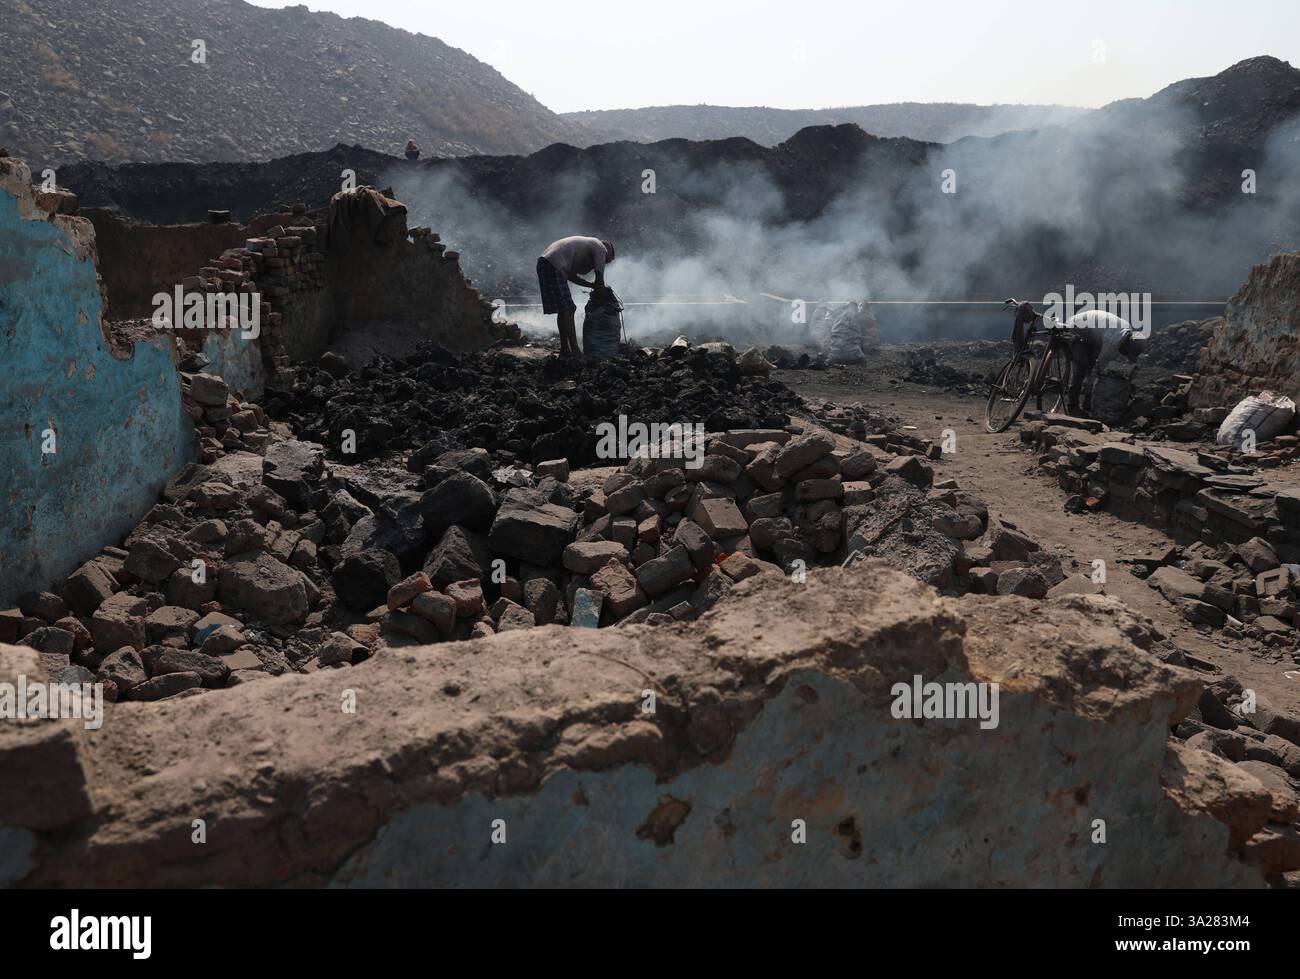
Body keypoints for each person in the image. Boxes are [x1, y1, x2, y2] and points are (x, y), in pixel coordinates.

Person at [536, 236, 615, 360]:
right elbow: (600, 279)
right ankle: (575, 351)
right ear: (608, 252)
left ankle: (565, 349)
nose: (602, 263)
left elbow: (571, 276)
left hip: (545, 263)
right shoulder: (601, 249)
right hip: (553, 265)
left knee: (563, 309)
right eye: (606, 261)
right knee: (569, 309)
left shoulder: (586, 246)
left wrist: (590, 285)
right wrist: (601, 291)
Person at [1064, 308, 1146, 416]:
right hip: (1076, 327)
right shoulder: (1113, 342)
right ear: (1126, 346)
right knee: (1081, 367)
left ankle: (1087, 403)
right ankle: (1072, 406)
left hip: (1093, 331)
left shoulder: (1126, 331)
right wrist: (1089, 387)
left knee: (1092, 364)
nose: (1125, 356)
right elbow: (1098, 368)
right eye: (1127, 354)